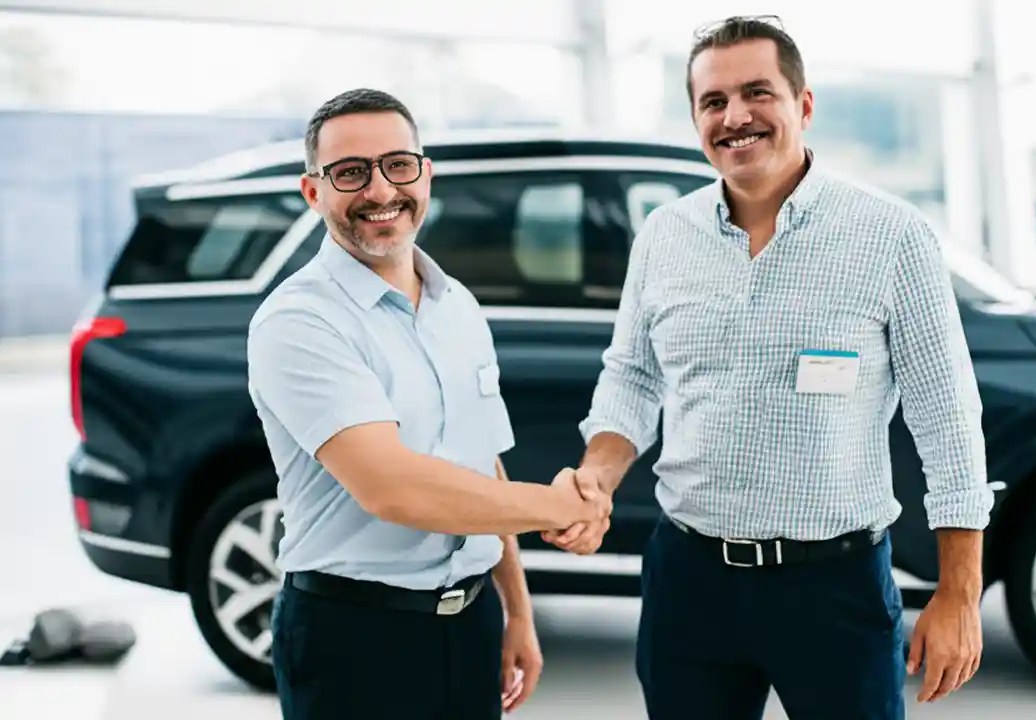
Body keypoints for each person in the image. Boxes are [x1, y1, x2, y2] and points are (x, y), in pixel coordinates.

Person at [545, 16, 993, 720]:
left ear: (803, 105)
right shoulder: (664, 235)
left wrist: (959, 592)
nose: (735, 117)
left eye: (757, 92)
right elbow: (632, 376)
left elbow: (947, 416)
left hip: (835, 584)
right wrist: (596, 477)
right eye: (713, 101)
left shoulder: (890, 235)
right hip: (688, 579)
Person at [246, 88, 609, 720]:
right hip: (353, 638)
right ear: (313, 192)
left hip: (470, 623)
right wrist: (560, 507)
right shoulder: (299, 320)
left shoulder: (456, 305)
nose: (381, 190)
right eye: (350, 172)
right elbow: (393, 488)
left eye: (398, 165)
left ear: (426, 174)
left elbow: (482, 463)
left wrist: (516, 609)